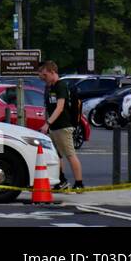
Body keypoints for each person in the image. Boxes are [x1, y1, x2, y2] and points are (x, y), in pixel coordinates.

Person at [38, 60, 83, 190]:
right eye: (41, 76)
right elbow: (49, 108)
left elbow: (60, 107)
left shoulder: (61, 85)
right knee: (56, 155)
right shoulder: (50, 87)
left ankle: (79, 183)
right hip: (54, 127)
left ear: (52, 72)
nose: (43, 79)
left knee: (70, 154)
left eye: (45, 75)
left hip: (63, 126)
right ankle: (61, 180)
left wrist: (47, 123)